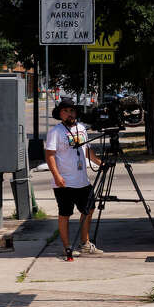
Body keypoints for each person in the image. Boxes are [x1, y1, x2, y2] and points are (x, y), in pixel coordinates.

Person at [45, 99, 103, 261]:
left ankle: (85, 243)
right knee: (65, 214)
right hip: (64, 181)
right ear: (60, 114)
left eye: (72, 111)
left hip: (82, 180)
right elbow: (49, 155)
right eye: (66, 111)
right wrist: (57, 176)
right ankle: (67, 247)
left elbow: (86, 150)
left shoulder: (81, 128)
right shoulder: (55, 132)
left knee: (89, 209)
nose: (70, 114)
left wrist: (99, 162)